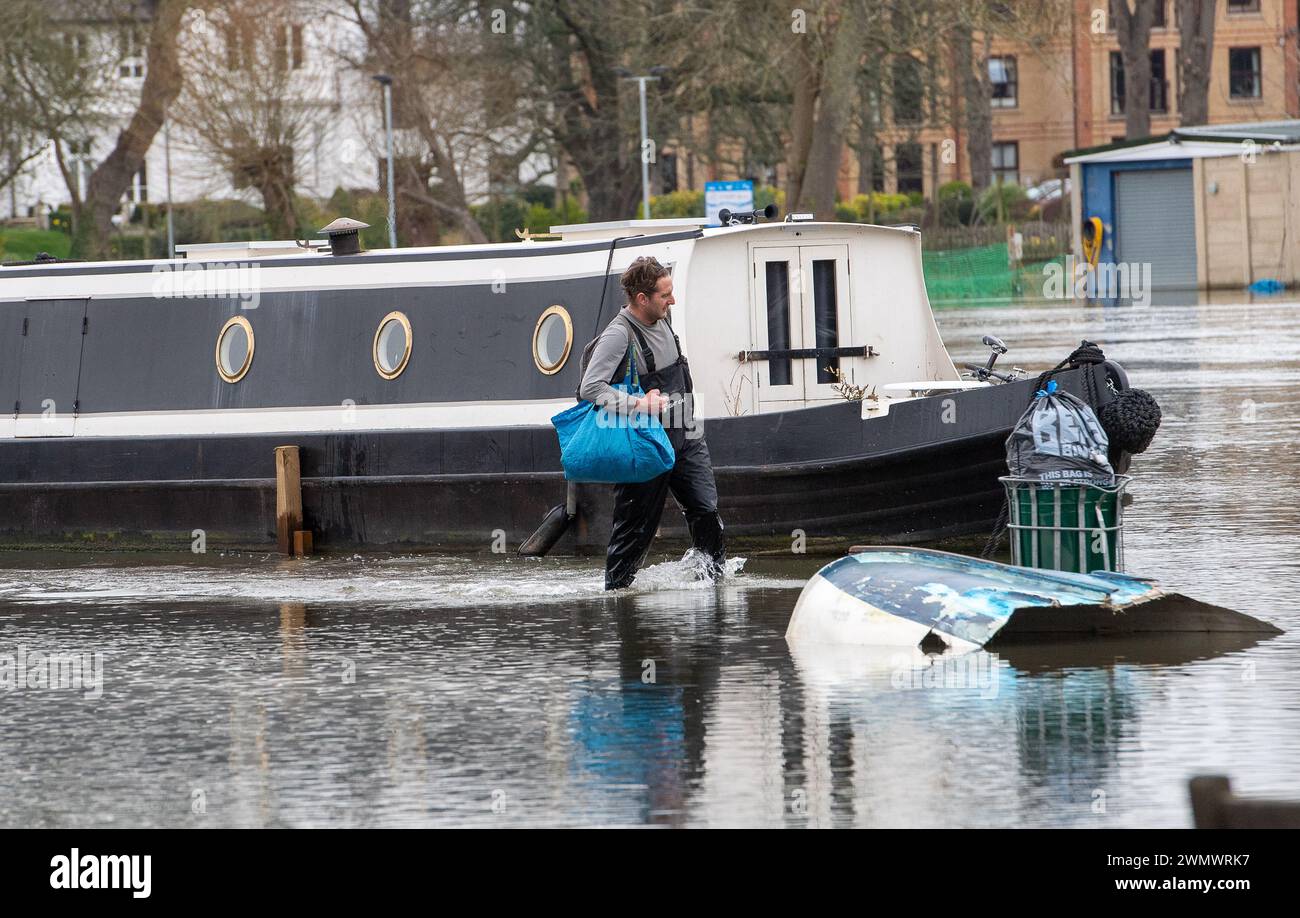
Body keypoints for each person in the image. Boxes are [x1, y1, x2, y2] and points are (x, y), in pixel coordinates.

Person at [579, 256, 726, 590]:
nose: (672, 300)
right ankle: (617, 594)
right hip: (645, 442)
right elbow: (590, 388)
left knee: (705, 510)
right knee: (635, 529)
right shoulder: (619, 335)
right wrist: (639, 404)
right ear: (642, 298)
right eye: (665, 295)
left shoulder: (663, 317)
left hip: (685, 432)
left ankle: (713, 584)